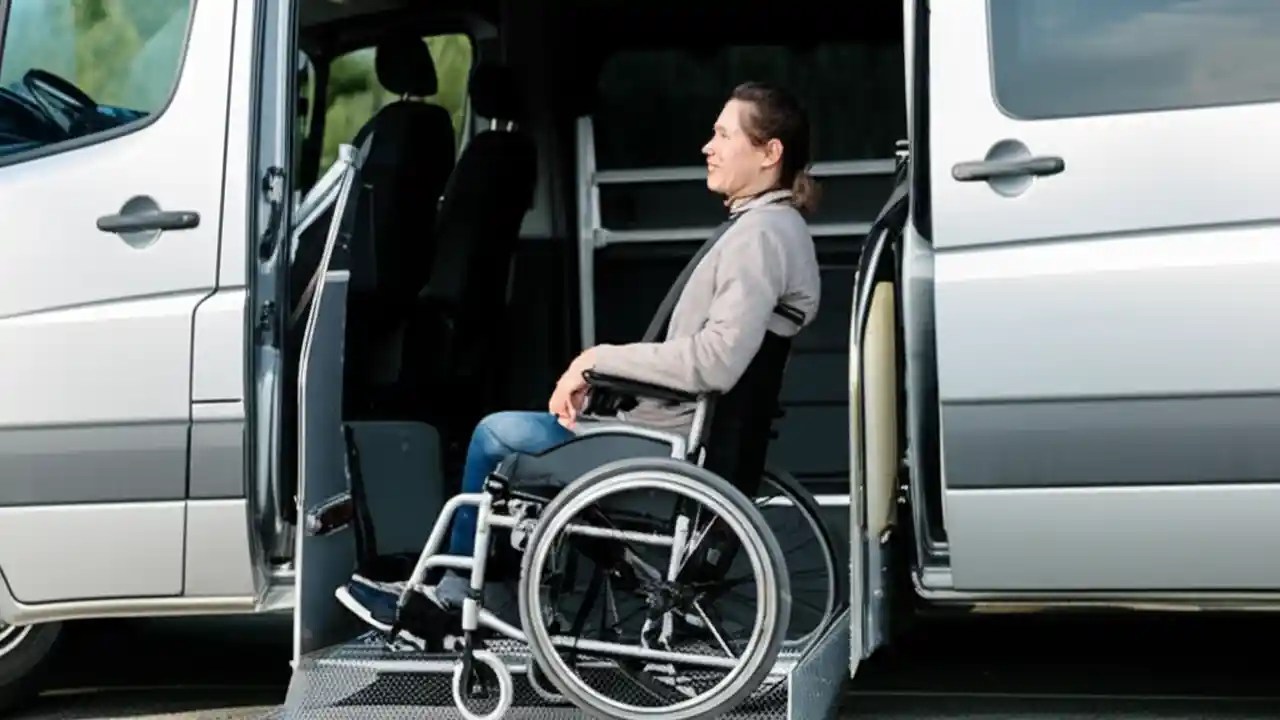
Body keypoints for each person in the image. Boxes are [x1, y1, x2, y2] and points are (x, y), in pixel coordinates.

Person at [338, 80, 822, 635]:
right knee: (516, 436)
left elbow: (716, 361)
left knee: (495, 436)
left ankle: (463, 595)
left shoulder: (760, 236)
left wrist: (596, 361)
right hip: (676, 424)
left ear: (769, 153)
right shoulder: (769, 226)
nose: (707, 147)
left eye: (723, 135)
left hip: (666, 441)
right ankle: (492, 588)